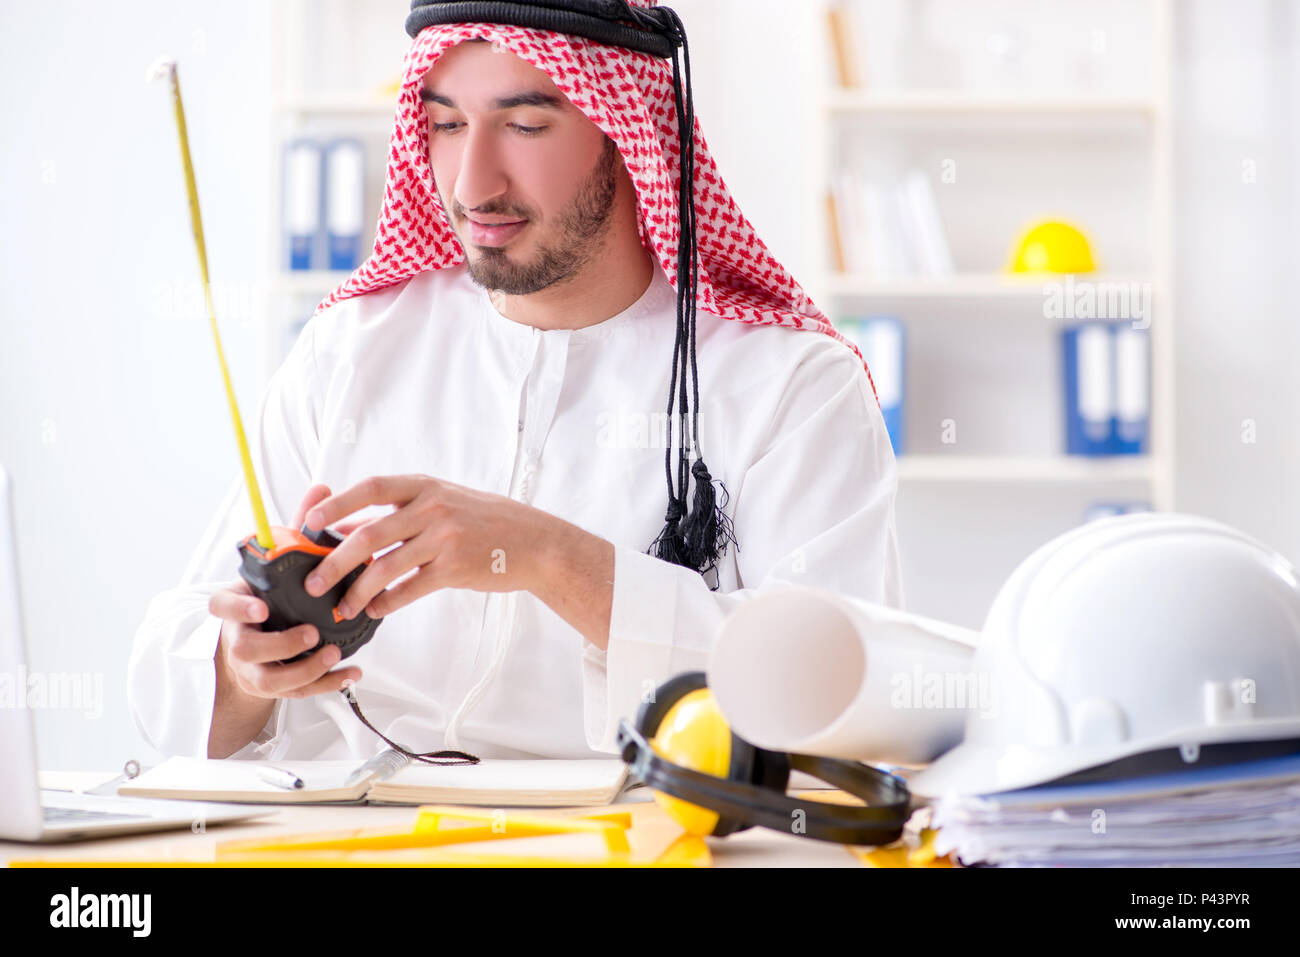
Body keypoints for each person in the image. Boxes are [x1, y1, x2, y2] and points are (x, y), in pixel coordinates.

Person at [128, 0, 903, 762]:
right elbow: (169, 691)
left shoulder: (793, 386)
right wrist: (244, 669)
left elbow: (841, 702)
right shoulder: (348, 349)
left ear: (628, 128)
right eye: (445, 124)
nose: (472, 185)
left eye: (525, 125)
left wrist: (550, 556)